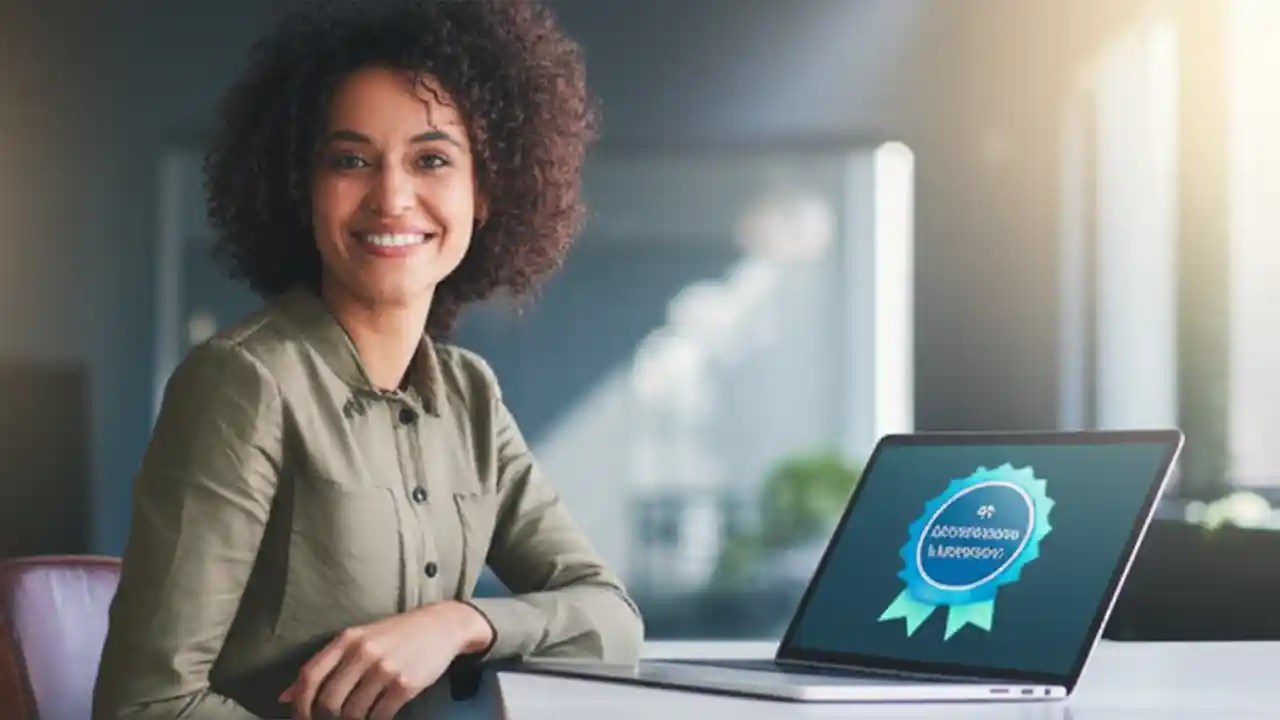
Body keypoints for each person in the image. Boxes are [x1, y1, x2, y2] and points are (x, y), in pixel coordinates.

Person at [93, 1, 643, 718]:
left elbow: (610, 622)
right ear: (304, 189)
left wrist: (460, 624)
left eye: (433, 159)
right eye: (350, 160)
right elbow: (145, 706)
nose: (390, 197)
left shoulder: (471, 397)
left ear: (485, 194)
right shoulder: (243, 383)